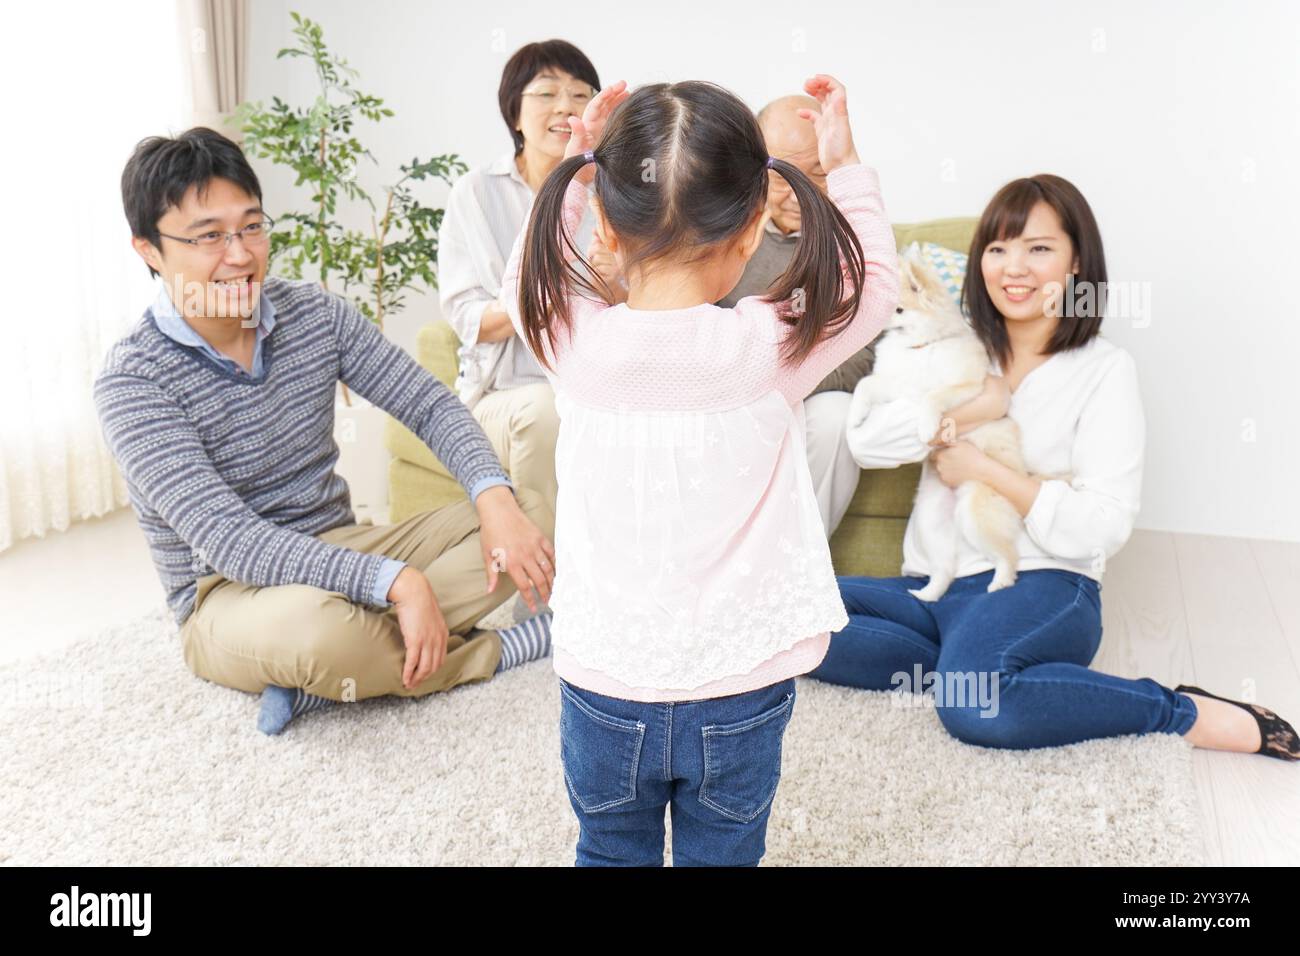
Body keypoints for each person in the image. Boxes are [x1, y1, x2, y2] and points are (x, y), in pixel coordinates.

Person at [504, 74, 899, 864]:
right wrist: (846, 163)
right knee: (727, 851)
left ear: (607, 235)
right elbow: (873, 287)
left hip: (604, 685)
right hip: (739, 689)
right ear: (753, 233)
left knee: (610, 849)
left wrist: (579, 167)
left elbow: (529, 274)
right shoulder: (767, 347)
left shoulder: (572, 346)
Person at [811, 173, 1299, 761]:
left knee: (976, 706)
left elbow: (1104, 523)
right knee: (795, 613)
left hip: (1043, 581)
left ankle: (1184, 711)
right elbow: (868, 444)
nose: (1013, 267)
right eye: (997, 249)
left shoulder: (1104, 370)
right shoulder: (955, 348)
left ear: (1075, 267)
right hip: (932, 583)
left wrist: (988, 472)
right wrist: (970, 410)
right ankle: (965, 656)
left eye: (1038, 248)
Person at [96, 127, 557, 736]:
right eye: (209, 236)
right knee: (318, 632)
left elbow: (429, 405)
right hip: (224, 592)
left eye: (252, 227)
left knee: (527, 514)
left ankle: (338, 674)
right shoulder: (132, 378)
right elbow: (231, 542)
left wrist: (493, 497)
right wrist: (395, 581)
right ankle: (497, 651)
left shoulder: (313, 314)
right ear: (149, 250)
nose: (239, 254)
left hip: (338, 540)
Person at [437, 39, 602, 526]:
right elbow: (472, 321)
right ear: (514, 114)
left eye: (579, 94)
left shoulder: (610, 196)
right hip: (499, 395)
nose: (565, 107)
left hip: (588, 383)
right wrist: (538, 295)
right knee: (548, 410)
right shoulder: (476, 192)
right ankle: (542, 591)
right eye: (547, 93)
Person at [715, 94, 876, 536]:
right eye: (782, 174)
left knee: (835, 417)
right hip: (728, 398)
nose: (798, 191)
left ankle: (800, 563)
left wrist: (779, 381)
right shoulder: (719, 232)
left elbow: (861, 355)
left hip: (803, 397)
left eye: (818, 173)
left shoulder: (856, 238)